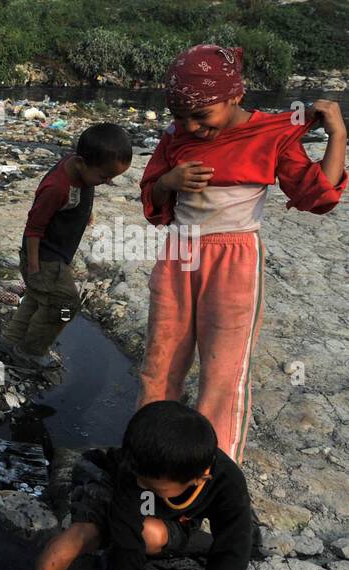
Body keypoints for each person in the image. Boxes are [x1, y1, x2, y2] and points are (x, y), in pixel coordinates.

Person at [139, 44, 345, 462]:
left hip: (234, 261)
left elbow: (317, 196)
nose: (192, 127)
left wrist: (338, 134)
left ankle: (217, 466)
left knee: (223, 371)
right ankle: (149, 453)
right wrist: (170, 181)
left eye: (201, 115)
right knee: (160, 363)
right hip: (178, 255)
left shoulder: (269, 134)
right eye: (181, 117)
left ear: (235, 96)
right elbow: (152, 200)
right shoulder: (173, 140)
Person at [22, 401, 254, 570]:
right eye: (141, 481)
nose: (141, 486)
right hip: (111, 484)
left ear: (200, 479)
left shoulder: (229, 484)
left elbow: (235, 547)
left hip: (161, 520)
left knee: (149, 535)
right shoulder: (134, 472)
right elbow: (125, 542)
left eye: (151, 485)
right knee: (80, 536)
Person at [0, 122, 133, 369]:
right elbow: (34, 228)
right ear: (81, 162)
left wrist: (85, 213)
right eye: (104, 177)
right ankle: (31, 350)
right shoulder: (56, 187)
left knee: (36, 299)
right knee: (64, 306)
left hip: (56, 257)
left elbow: (83, 191)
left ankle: (11, 340)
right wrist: (33, 268)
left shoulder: (83, 172)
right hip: (45, 260)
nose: (106, 182)